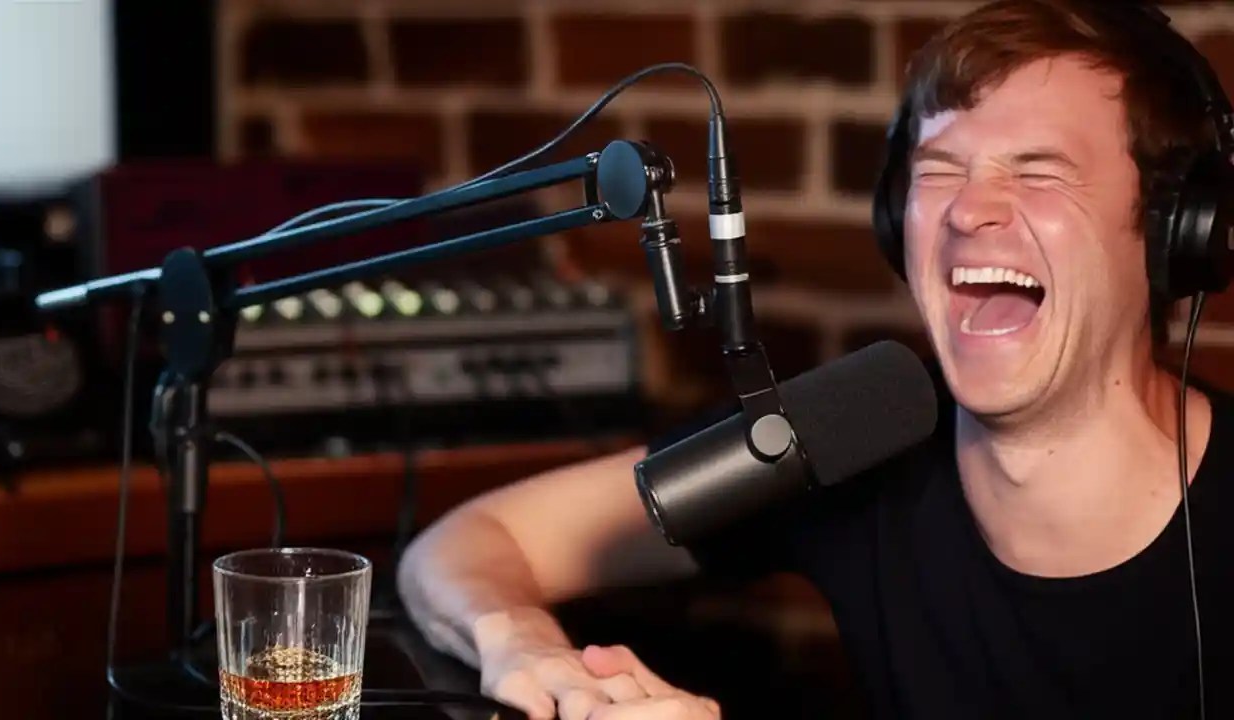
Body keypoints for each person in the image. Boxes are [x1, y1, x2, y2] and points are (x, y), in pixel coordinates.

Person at [397, 1, 1234, 718]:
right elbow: (468, 544)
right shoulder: (855, 435)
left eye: (1040, 172)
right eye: (939, 170)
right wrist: (525, 646)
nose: (968, 210)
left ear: (1174, 234)